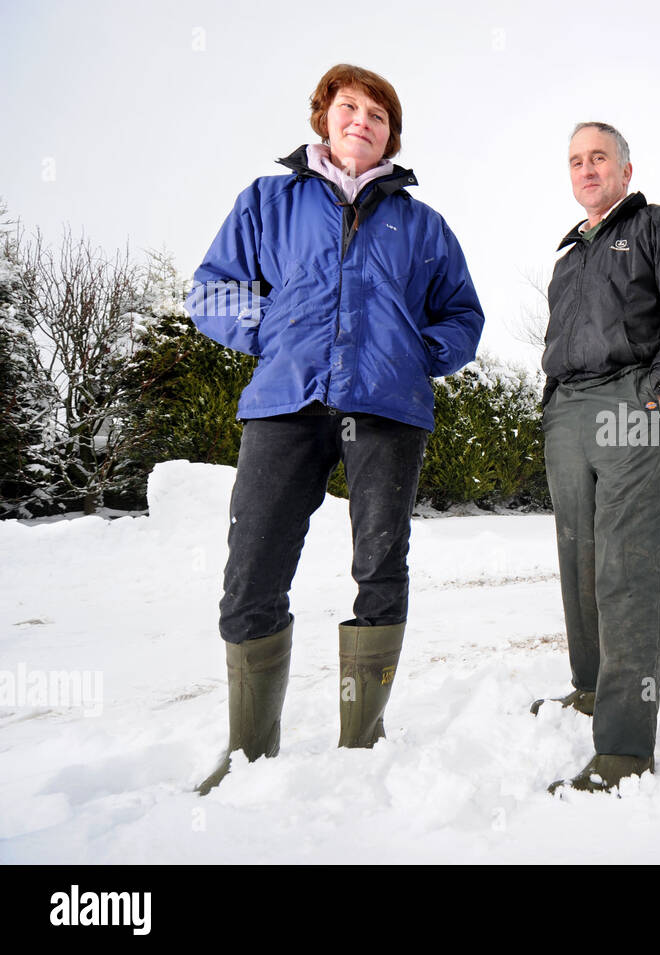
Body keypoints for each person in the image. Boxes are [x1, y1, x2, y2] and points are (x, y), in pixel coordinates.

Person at [185, 64, 485, 795]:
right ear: (324, 117)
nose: (362, 120)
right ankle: (249, 752)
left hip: (388, 410)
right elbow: (211, 289)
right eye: (349, 107)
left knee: (379, 568)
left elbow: (463, 317)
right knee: (251, 569)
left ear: (391, 135)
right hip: (285, 402)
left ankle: (362, 740)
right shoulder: (267, 201)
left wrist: (414, 353)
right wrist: (275, 331)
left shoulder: (421, 224)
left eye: (378, 114)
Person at [537, 122, 660, 793]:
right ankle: (588, 691)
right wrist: (552, 402)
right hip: (568, 410)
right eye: (576, 160)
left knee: (627, 565)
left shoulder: (656, 228)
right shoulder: (567, 257)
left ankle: (622, 749)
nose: (587, 169)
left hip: (630, 402)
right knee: (578, 557)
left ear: (626, 169)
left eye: (599, 158)